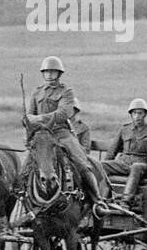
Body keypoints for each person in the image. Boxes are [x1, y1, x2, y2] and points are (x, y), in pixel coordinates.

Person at [25, 56, 103, 209]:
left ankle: (97, 199)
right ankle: (21, 197)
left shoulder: (66, 92)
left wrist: (39, 118)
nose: (49, 76)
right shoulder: (37, 92)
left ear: (59, 74)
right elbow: (28, 116)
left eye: (53, 73)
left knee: (82, 163)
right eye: (46, 73)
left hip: (62, 134)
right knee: (25, 168)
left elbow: (63, 113)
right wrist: (28, 121)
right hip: (42, 136)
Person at [104, 99, 147, 205]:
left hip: (141, 165)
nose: (137, 116)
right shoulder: (124, 130)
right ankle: (101, 196)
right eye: (134, 113)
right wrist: (107, 162)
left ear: (145, 114)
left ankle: (125, 200)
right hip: (123, 163)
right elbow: (112, 150)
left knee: (136, 166)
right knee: (101, 165)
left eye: (140, 113)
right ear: (131, 114)